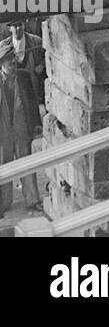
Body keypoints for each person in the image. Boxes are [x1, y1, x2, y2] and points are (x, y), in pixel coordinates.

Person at [0, 36, 41, 216]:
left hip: (22, 128)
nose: (12, 62)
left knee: (26, 164)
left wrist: (36, 125)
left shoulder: (23, 77)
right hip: (3, 133)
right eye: (7, 59)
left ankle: (32, 199)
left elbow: (32, 102)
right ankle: (3, 203)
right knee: (3, 166)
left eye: (13, 58)